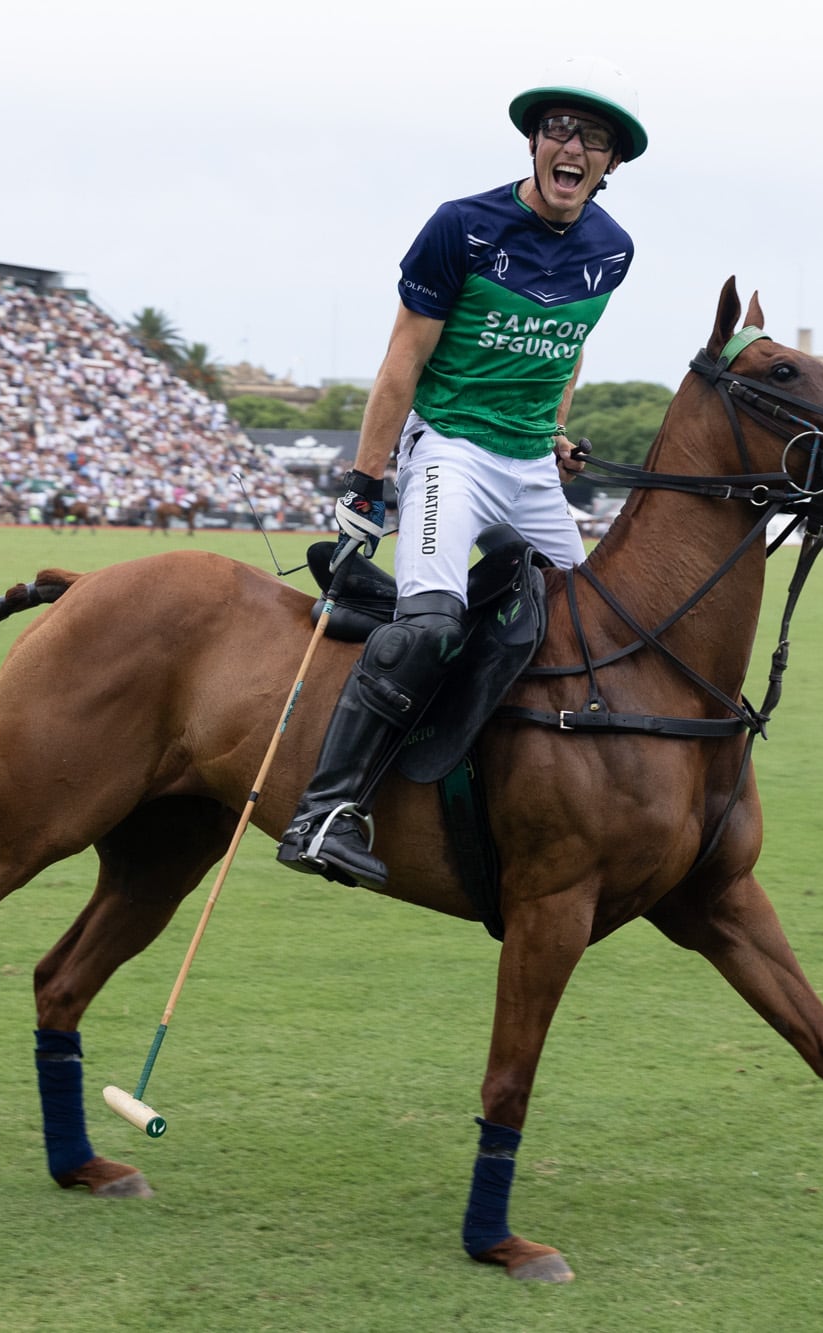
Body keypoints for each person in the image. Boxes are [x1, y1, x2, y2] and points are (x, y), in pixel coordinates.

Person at [277, 57, 649, 890]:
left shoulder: (612, 251)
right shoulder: (462, 226)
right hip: (450, 450)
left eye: (593, 140)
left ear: (610, 165)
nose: (574, 147)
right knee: (433, 626)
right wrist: (368, 482)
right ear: (532, 140)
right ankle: (325, 810)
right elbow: (401, 360)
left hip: (529, 467)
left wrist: (553, 429)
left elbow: (568, 345)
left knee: (598, 629)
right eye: (560, 129)